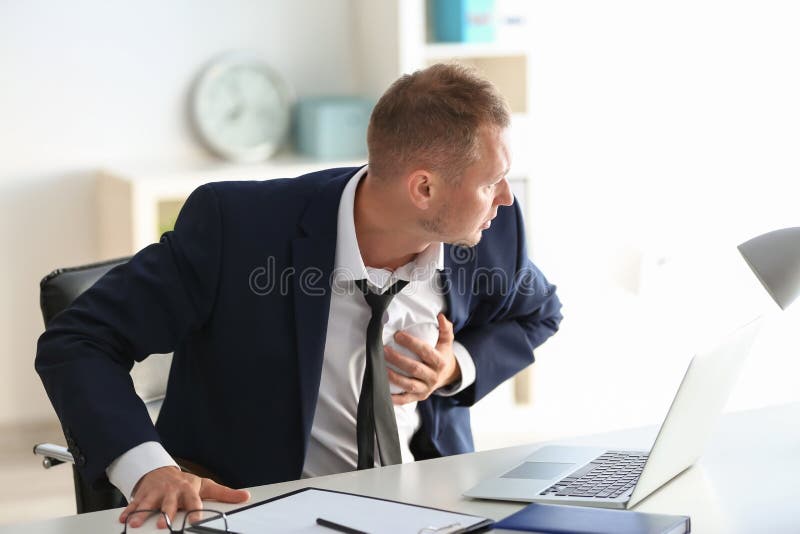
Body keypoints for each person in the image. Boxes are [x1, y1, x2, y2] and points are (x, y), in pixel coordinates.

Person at [36, 63, 563, 529]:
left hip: (432, 508)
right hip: (258, 507)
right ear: (423, 188)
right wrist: (149, 467)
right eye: (492, 180)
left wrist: (455, 368)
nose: (507, 196)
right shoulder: (239, 230)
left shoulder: (489, 230)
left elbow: (539, 312)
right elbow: (79, 339)